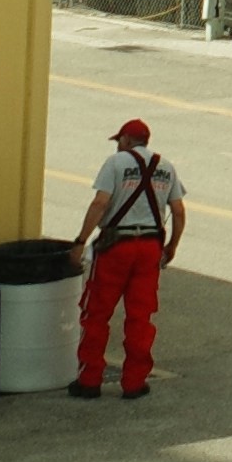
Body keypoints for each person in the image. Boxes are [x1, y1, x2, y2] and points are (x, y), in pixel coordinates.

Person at [73, 114, 186, 399]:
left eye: (118, 141)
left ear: (125, 140)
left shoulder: (115, 163)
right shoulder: (166, 166)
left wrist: (80, 241)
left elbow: (100, 202)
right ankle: (134, 382)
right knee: (140, 317)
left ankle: (89, 380)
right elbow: (178, 210)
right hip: (149, 248)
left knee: (96, 313)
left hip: (116, 247)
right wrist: (171, 246)